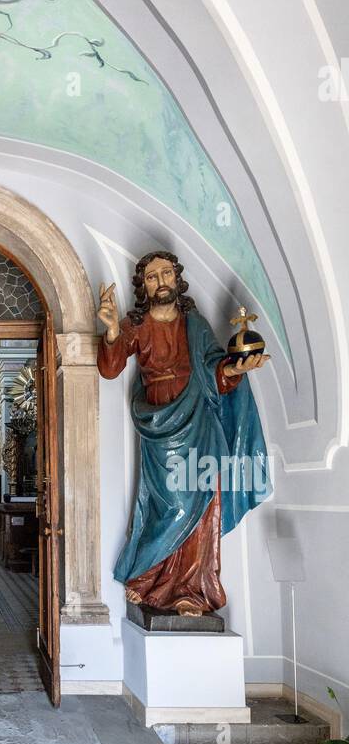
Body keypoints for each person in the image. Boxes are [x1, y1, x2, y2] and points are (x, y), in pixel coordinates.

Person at [97, 252, 270, 616]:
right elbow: (110, 370)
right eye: (151, 277)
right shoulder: (136, 325)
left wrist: (236, 367)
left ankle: (193, 589)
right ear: (142, 286)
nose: (160, 281)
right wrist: (112, 330)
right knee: (170, 506)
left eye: (165, 274)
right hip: (159, 426)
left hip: (199, 424)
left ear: (177, 279)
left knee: (203, 505)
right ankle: (149, 575)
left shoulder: (197, 325)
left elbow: (213, 372)